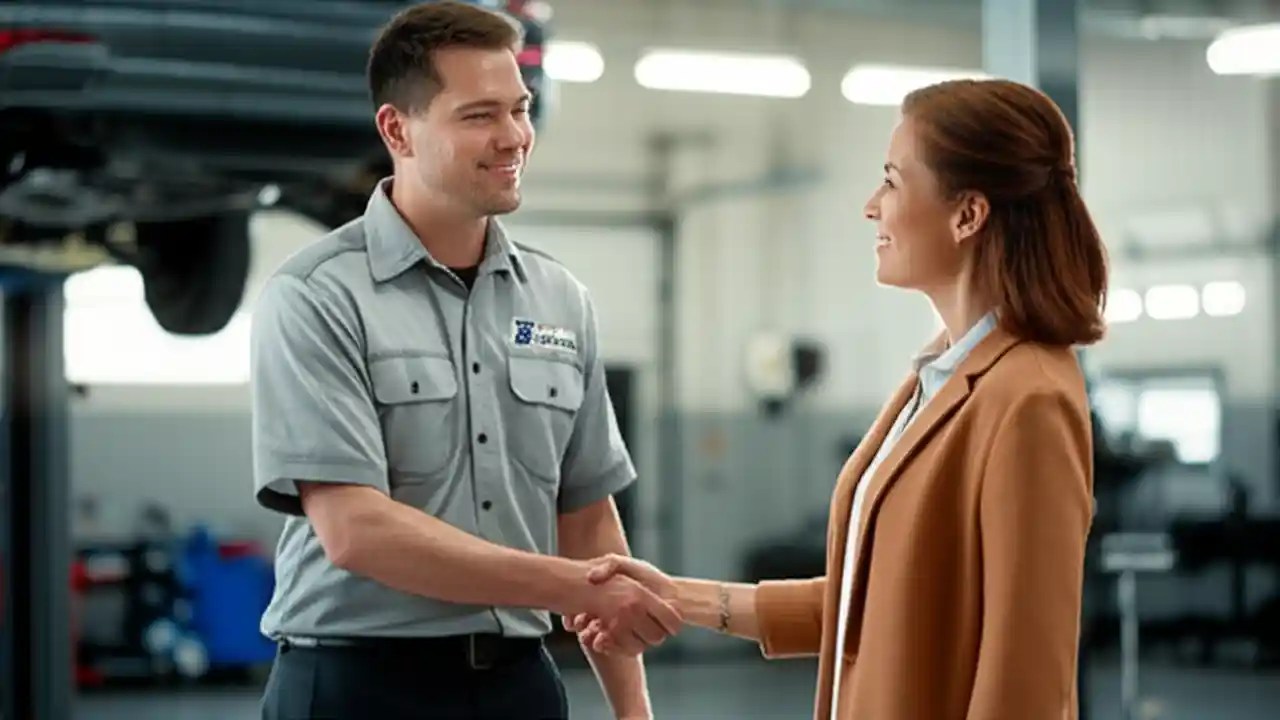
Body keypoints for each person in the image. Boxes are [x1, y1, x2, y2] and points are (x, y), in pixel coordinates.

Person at [568, 78, 1108, 720]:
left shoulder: (1029, 398)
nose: (871, 206)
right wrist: (683, 598)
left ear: (967, 214)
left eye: (892, 180)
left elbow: (1027, 681)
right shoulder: (938, 374)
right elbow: (876, 601)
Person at [249, 3, 677, 719]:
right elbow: (357, 530)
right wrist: (569, 588)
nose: (513, 137)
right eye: (480, 115)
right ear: (397, 130)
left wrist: (634, 713)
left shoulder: (560, 300)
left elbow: (589, 519)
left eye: (521, 109)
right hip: (356, 688)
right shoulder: (317, 296)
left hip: (518, 686)